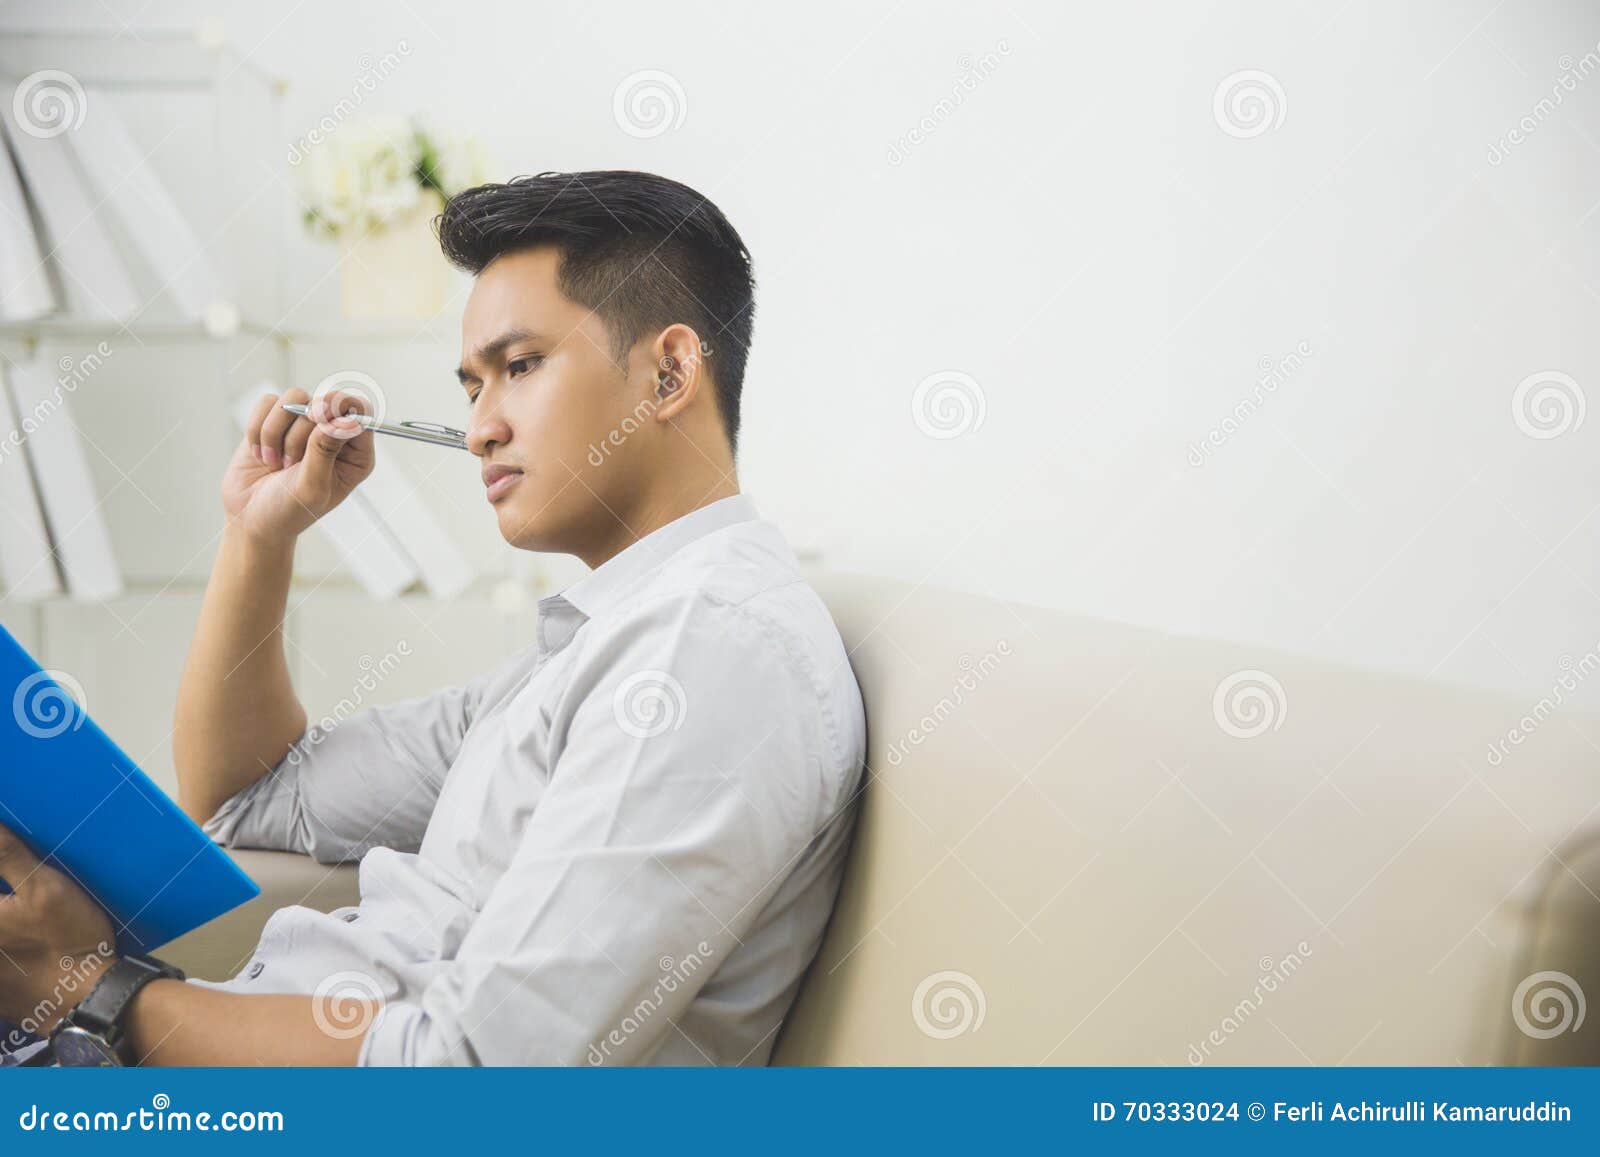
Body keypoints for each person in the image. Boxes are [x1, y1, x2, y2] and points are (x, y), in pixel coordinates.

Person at [0, 170, 866, 1066]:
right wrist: (259, 539)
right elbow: (248, 798)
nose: (481, 429)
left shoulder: (703, 653)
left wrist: (91, 994)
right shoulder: (595, 642)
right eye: (469, 387)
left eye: (520, 366)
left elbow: (478, 1073)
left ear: (671, 371)